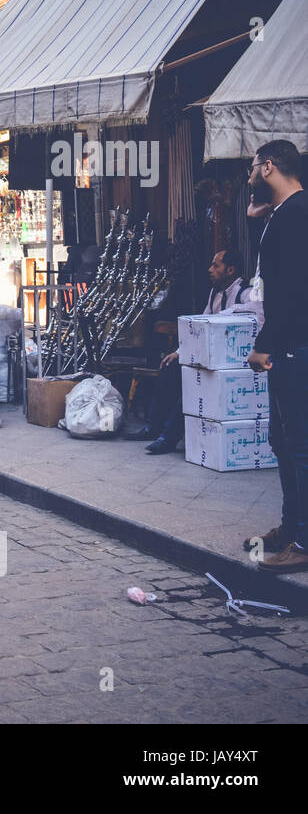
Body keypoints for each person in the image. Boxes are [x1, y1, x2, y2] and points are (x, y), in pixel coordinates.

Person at [242, 141, 308, 573]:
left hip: (294, 347)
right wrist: (257, 217)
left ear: (268, 167)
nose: (249, 177)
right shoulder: (283, 215)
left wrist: (265, 342)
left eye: (252, 169)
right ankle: (290, 527)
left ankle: (302, 542)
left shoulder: (297, 216)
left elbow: (291, 291)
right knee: (283, 443)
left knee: (299, 446)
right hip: (289, 346)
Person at [126, 250, 257, 454]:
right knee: (170, 368)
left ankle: (169, 437)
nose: (210, 270)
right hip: (211, 358)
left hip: (234, 363)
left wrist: (224, 315)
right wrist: (181, 351)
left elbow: (260, 311)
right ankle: (154, 426)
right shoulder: (215, 293)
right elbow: (200, 326)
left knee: (195, 384)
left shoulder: (246, 292)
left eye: (216, 265)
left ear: (230, 270)